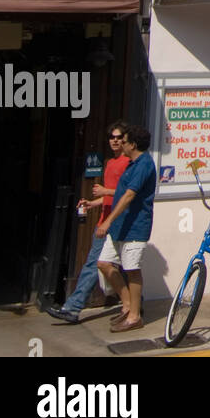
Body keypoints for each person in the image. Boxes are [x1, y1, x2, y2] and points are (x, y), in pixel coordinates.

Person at [44, 121, 131, 324]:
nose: (115, 140)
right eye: (112, 137)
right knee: (118, 265)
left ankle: (73, 308)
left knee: (97, 264)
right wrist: (93, 202)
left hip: (116, 222)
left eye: (119, 137)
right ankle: (135, 303)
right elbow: (112, 196)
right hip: (105, 219)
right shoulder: (110, 163)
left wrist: (104, 193)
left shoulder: (128, 163)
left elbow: (128, 193)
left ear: (126, 139)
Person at [96, 124, 156, 333]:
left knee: (132, 270)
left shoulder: (144, 164)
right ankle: (127, 304)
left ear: (133, 144)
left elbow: (129, 196)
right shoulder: (133, 163)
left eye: (125, 140)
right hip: (121, 227)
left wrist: (107, 221)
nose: (120, 142)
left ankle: (134, 316)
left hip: (135, 226)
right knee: (104, 263)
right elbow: (119, 193)